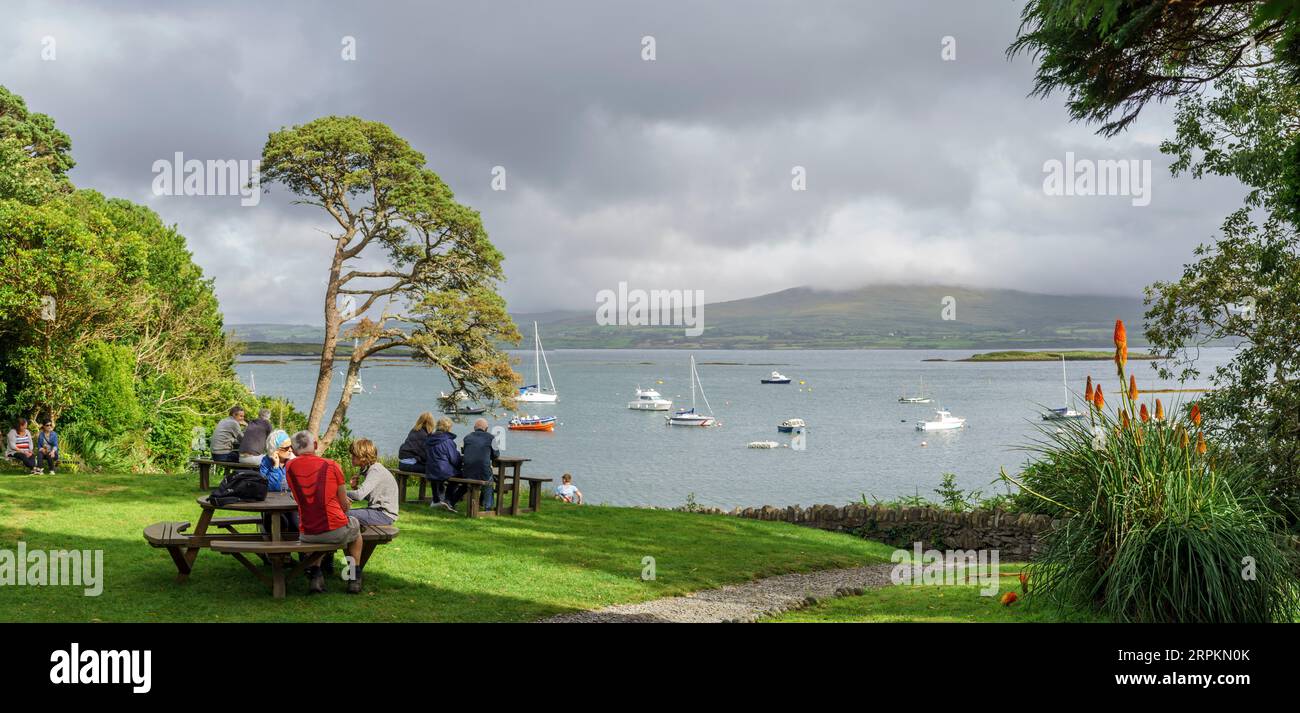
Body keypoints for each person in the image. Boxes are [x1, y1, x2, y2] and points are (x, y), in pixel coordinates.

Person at [285, 430, 364, 595]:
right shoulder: (331, 465)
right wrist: (343, 505)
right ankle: (354, 577)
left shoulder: (289, 467)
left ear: (292, 449)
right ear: (314, 445)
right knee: (355, 530)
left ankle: (316, 575)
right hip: (334, 530)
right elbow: (343, 505)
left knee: (319, 531)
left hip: (307, 533)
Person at [346, 439, 399, 525]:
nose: (351, 457)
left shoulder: (375, 470)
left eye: (354, 455)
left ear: (362, 456)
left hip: (383, 515)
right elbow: (372, 497)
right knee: (340, 513)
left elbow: (359, 495)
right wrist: (355, 488)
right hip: (378, 512)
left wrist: (338, 493)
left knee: (340, 515)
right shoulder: (372, 469)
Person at [450, 418, 497, 510]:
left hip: (467, 471)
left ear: (474, 428)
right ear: (486, 428)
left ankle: (451, 502)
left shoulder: (467, 438)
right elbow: (496, 454)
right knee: (489, 481)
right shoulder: (492, 438)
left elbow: (464, 451)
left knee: (466, 483)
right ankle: (487, 507)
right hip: (483, 471)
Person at [424, 417, 461, 511]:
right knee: (459, 476)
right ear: (449, 428)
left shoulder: (429, 439)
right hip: (442, 470)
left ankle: (436, 499)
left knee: (435, 475)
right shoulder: (448, 441)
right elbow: (454, 460)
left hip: (430, 469)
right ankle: (448, 500)